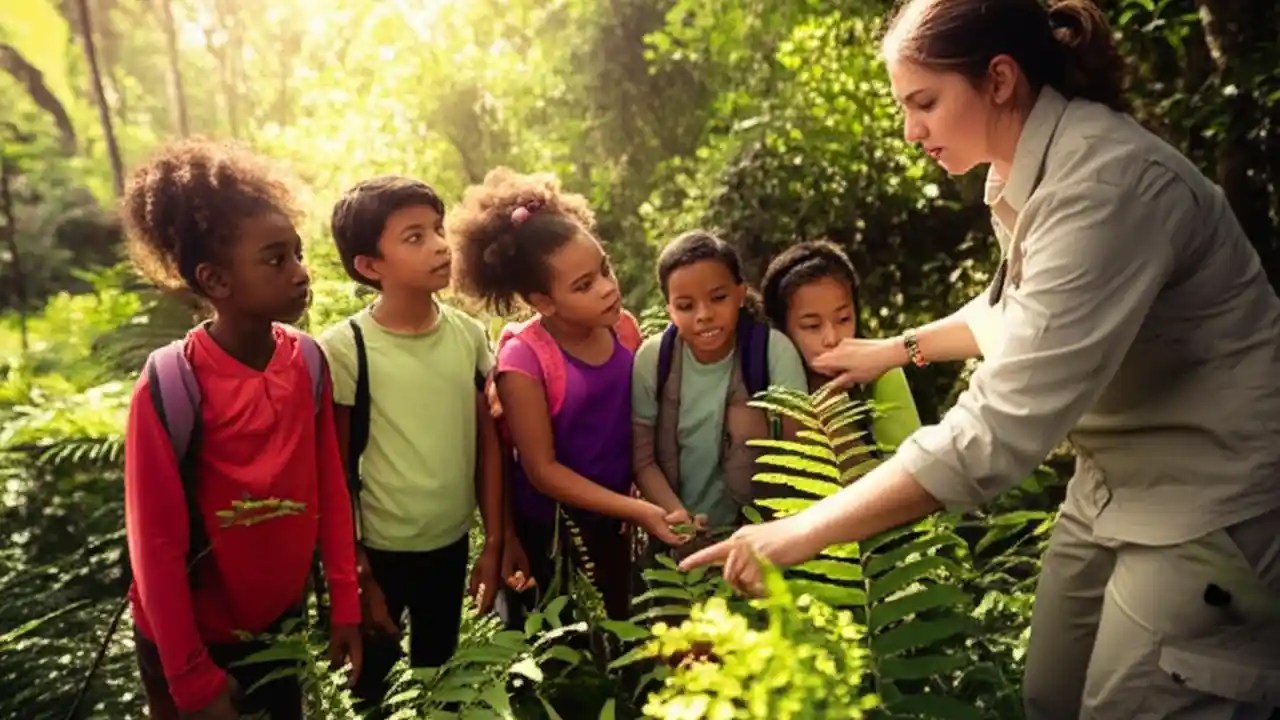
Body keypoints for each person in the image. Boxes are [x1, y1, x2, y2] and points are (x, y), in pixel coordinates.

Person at [682, 1, 1280, 718]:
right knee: (1048, 694)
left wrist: (802, 530)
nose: (912, 131)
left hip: (1209, 499)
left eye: (925, 103)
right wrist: (895, 350)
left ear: (998, 78)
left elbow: (997, 428)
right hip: (1114, 485)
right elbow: (1014, 311)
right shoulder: (1025, 172)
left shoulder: (1107, 186)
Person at [121, 139, 361, 720]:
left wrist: (345, 605)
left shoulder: (306, 362)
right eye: (276, 259)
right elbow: (154, 547)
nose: (301, 273)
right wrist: (192, 678)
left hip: (278, 629)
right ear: (216, 280)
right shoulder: (170, 387)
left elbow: (329, 488)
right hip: (190, 643)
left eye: (299, 254)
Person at [449, 167, 683, 620]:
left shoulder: (625, 330)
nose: (608, 288)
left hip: (617, 524)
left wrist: (644, 505)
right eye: (584, 285)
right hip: (549, 536)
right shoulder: (524, 360)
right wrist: (636, 509)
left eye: (604, 269)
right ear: (543, 302)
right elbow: (542, 471)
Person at [320, 176, 505, 712]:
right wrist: (356, 573)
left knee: (439, 680)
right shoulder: (347, 348)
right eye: (415, 237)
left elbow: (488, 443)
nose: (441, 245)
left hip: (449, 547)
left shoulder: (468, 335)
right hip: (379, 554)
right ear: (369, 267)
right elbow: (335, 469)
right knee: (372, 691)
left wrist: (492, 542)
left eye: (438, 230)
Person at [631, 231, 810, 550]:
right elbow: (642, 460)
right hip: (677, 544)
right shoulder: (652, 360)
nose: (704, 315)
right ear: (669, 309)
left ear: (740, 294)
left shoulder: (772, 353)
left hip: (760, 542)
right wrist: (678, 517)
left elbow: (801, 456)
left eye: (718, 298)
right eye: (686, 305)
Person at [759, 240, 921, 454]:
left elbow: (913, 467)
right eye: (812, 326)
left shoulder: (883, 372)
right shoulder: (761, 384)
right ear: (782, 329)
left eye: (843, 319)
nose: (831, 338)